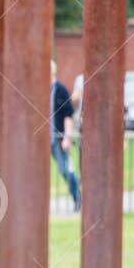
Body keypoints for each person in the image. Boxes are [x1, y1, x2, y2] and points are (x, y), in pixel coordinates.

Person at [50, 60, 81, 212]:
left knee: (66, 170)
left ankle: (78, 198)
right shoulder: (41, 90)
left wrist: (67, 138)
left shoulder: (60, 90)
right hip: (43, 139)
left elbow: (67, 116)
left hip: (58, 138)